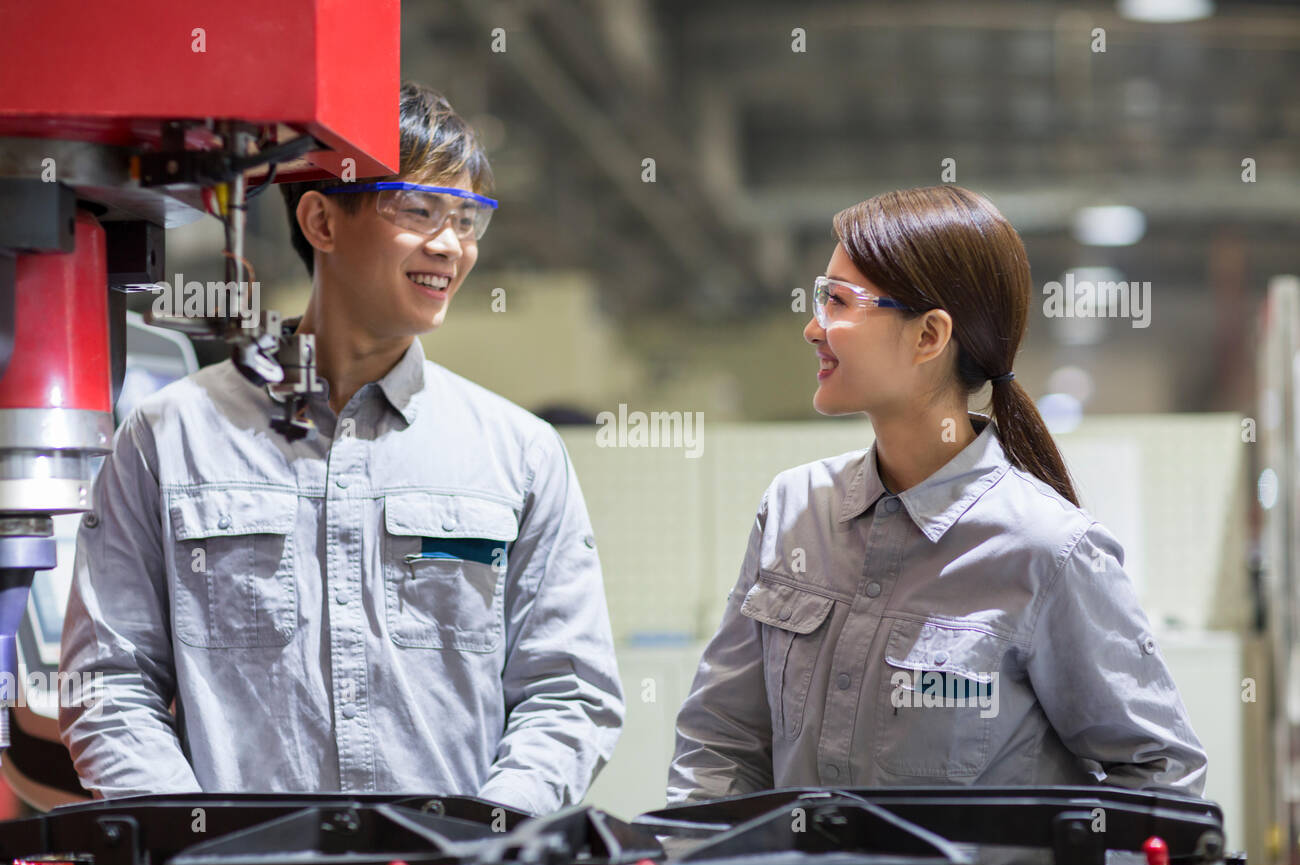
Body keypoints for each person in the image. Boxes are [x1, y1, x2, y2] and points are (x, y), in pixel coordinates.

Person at [58, 82, 624, 815]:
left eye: (468, 217)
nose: (451, 245)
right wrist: (194, 847)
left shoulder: (517, 455)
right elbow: (108, 682)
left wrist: (490, 840)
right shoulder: (170, 439)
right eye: (419, 209)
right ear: (322, 219)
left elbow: (567, 690)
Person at [666, 184, 1206, 804]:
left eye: (839, 302)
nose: (814, 327)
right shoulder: (793, 511)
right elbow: (722, 742)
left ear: (928, 336)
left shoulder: (1048, 553)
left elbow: (1163, 781)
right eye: (820, 298)